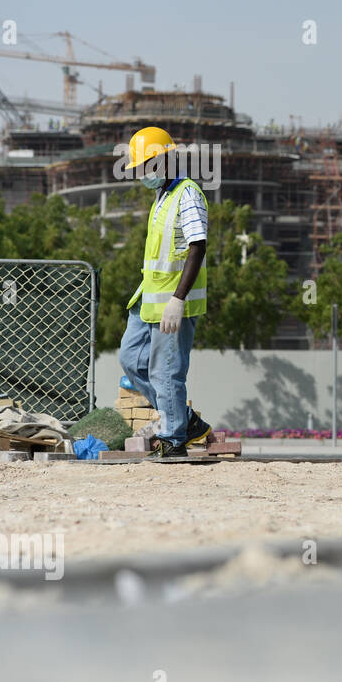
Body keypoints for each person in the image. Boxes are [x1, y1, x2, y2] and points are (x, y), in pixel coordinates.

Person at [118, 126, 213, 458]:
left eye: (144, 167)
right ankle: (184, 419)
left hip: (172, 303)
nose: (141, 175)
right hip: (148, 300)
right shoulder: (163, 195)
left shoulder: (187, 193)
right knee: (131, 360)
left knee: (166, 371)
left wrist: (178, 299)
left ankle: (174, 439)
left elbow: (197, 246)